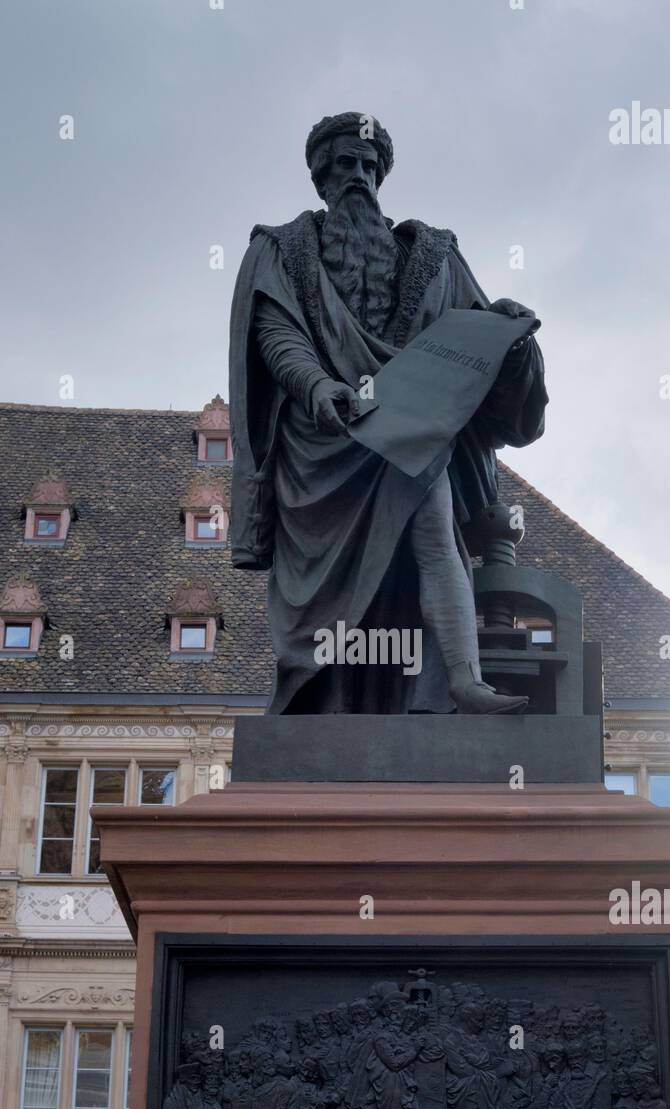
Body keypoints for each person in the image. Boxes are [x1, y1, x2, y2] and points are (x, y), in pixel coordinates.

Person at [229, 111, 547, 715]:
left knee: (435, 538)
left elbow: (476, 342)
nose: (359, 177)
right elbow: (276, 333)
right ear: (321, 176)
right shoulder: (281, 248)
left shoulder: (433, 254)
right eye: (345, 165)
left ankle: (463, 678)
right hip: (322, 442)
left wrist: (510, 332)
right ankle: (329, 709)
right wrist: (318, 386)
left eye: (370, 167)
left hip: (406, 428)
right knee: (328, 616)